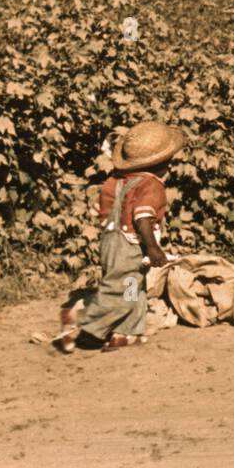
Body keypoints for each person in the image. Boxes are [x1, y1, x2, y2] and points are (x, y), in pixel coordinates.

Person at [57, 120, 184, 352]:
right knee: (122, 291)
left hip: (109, 241)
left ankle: (126, 333)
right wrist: (154, 248)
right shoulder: (152, 186)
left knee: (133, 286)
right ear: (161, 164)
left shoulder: (113, 181)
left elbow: (98, 209)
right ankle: (80, 317)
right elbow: (142, 218)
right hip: (131, 243)